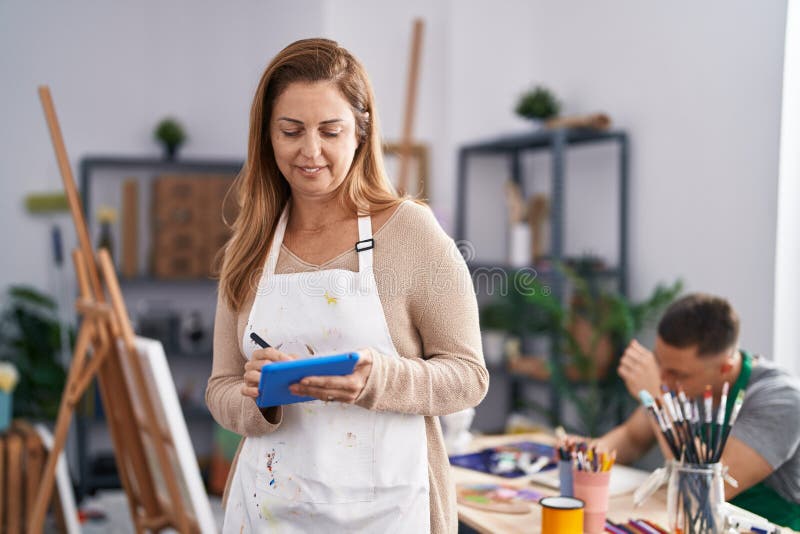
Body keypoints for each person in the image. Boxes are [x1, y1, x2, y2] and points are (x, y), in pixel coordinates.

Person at [205, 38, 489, 534]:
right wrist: (258, 397)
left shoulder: (409, 232)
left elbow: (469, 376)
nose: (310, 151)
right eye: (290, 130)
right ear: (267, 136)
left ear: (360, 132)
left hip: (387, 513)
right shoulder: (247, 249)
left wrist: (377, 379)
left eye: (330, 131)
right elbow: (221, 387)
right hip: (270, 512)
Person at [596, 293, 800, 528]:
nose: (663, 379)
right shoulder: (684, 383)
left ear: (725, 367)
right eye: (659, 363)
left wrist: (657, 398)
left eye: (677, 373)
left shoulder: (782, 401)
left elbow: (701, 493)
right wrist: (588, 455)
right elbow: (632, 438)